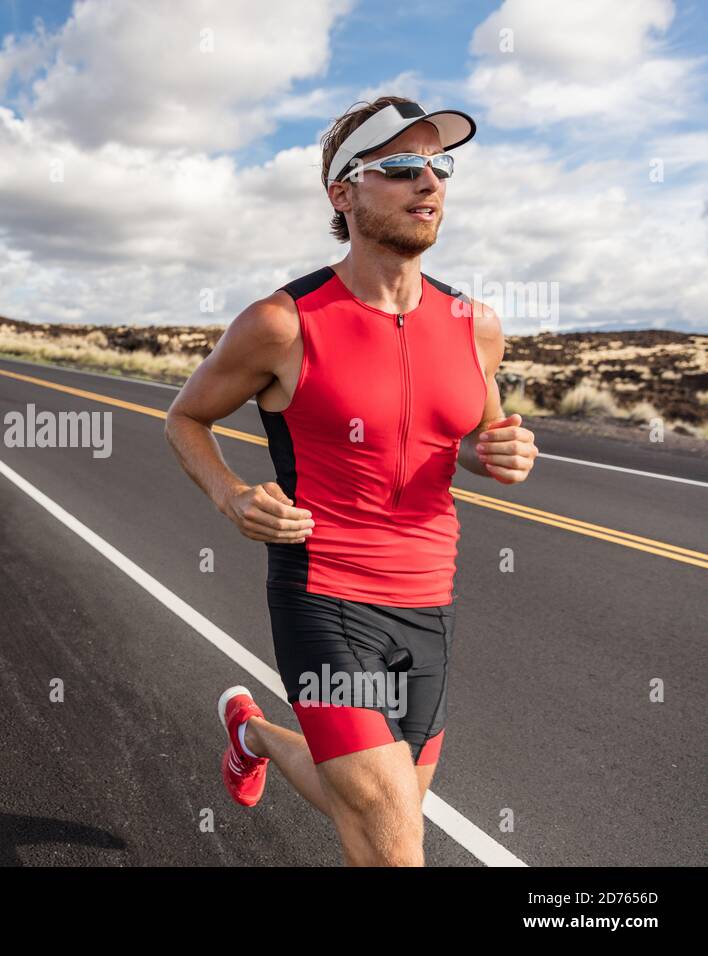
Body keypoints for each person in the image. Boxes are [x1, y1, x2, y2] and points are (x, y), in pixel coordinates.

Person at [164, 97, 539, 866]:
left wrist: (498, 455)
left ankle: (256, 734)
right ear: (344, 193)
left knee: (372, 806)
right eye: (400, 167)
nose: (426, 183)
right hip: (327, 594)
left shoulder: (477, 325)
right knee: (393, 839)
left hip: (430, 600)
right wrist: (233, 495)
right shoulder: (284, 322)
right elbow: (185, 418)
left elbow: (474, 436)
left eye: (439, 166)